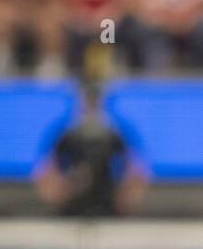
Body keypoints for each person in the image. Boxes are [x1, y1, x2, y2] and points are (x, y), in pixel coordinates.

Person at [33, 80, 149, 217]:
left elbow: (137, 168)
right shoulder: (68, 135)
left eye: (94, 101)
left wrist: (127, 196)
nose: (90, 106)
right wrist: (58, 192)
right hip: (73, 204)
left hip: (108, 205)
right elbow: (44, 168)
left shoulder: (113, 135)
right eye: (88, 101)